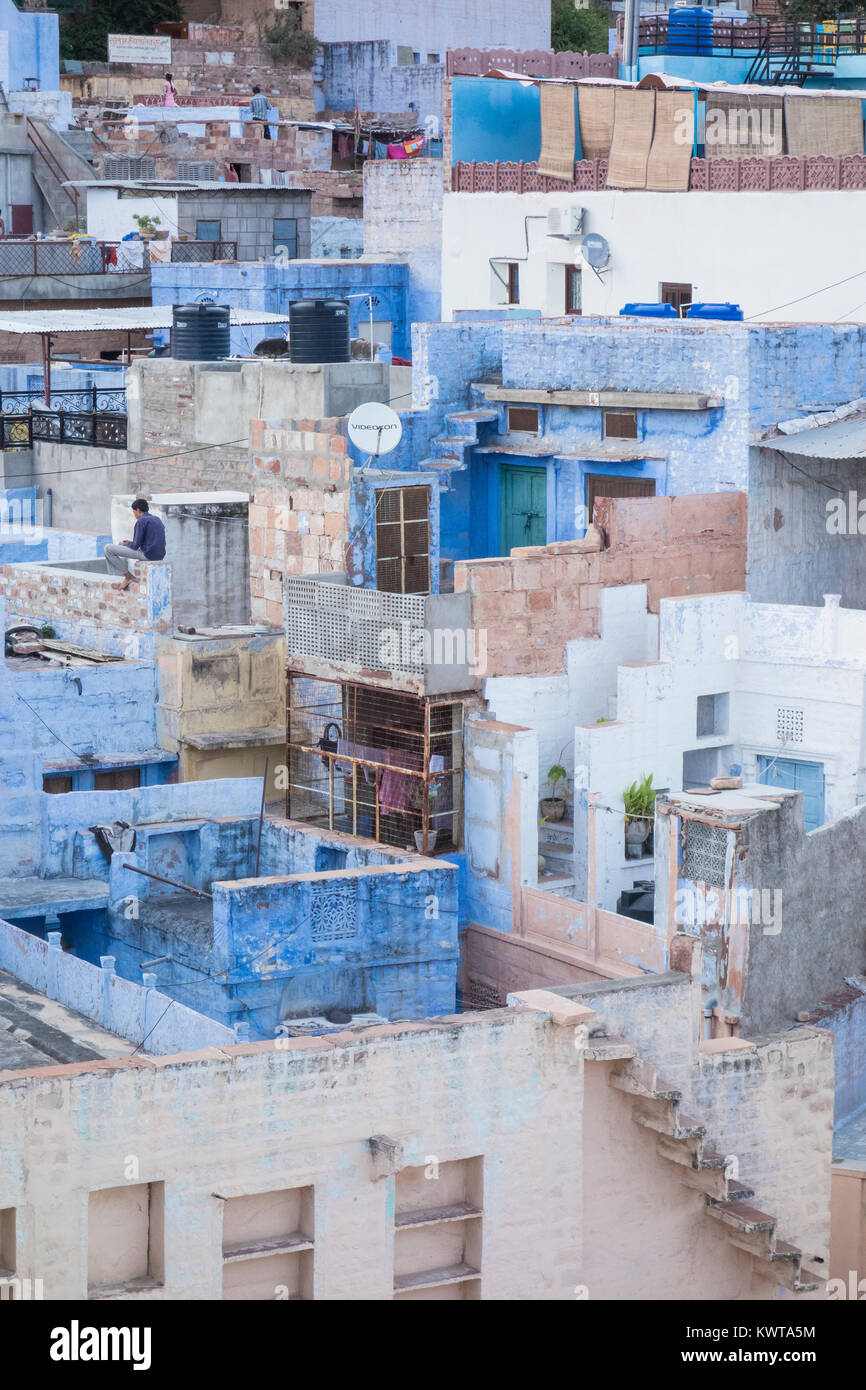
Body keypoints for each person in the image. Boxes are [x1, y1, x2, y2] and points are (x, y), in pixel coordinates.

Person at [104, 499, 166, 590]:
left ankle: (128, 577)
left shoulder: (141, 521)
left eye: (134, 512)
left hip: (147, 555)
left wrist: (124, 544)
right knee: (122, 550)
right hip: (159, 556)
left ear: (138, 510)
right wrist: (128, 543)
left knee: (108, 549)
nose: (134, 515)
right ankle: (123, 577)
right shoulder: (157, 519)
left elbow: (135, 545)